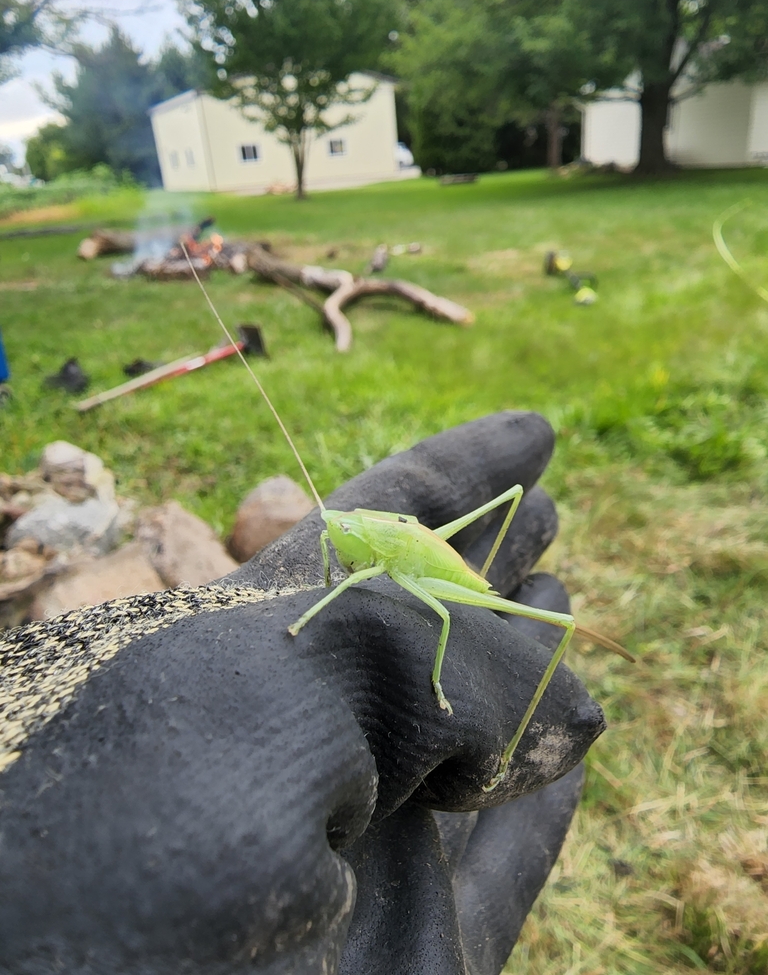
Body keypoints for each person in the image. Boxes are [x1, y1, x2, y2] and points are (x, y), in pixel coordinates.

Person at [0, 411, 604, 975]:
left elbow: (437, 616)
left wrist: (428, 678)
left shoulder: (385, 555)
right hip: (403, 556)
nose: (333, 535)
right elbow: (330, 551)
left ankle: (478, 626)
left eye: (341, 533)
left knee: (460, 613)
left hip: (431, 574)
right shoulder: (348, 536)